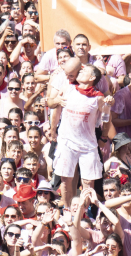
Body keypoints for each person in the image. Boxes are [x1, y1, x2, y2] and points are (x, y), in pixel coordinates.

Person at [51, 63, 112, 208]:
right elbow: (55, 109)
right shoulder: (68, 89)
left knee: (88, 183)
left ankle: (84, 212)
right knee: (65, 179)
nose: (80, 72)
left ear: (92, 78)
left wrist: (104, 137)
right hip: (67, 142)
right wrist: (53, 130)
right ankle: (67, 210)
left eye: (84, 71)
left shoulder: (99, 98)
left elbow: (106, 119)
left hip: (88, 145)